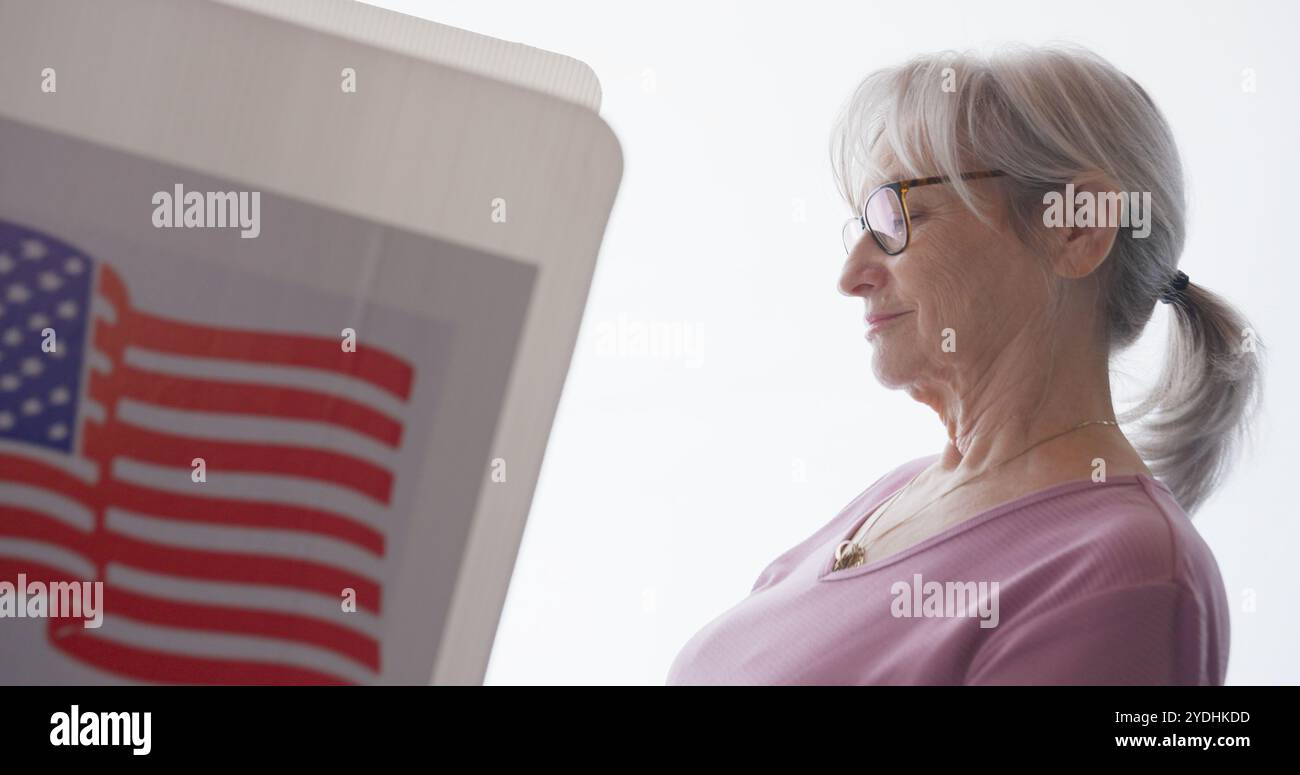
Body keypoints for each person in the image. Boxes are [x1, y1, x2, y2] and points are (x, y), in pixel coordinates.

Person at [666, 44, 1262, 685]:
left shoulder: (1128, 575)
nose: (851, 276)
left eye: (901, 218)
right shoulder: (894, 495)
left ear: (1077, 229)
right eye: (862, 225)